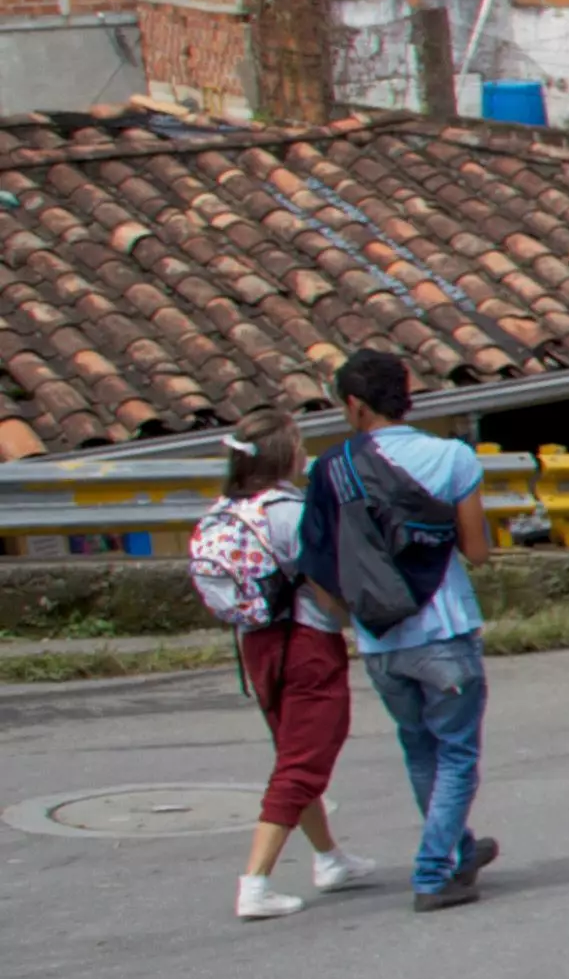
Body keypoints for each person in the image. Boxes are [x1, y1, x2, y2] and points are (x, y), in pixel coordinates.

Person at [303, 346, 497, 911]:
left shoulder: (329, 469)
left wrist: (348, 618)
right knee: (457, 753)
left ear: (356, 406)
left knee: (420, 750)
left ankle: (457, 850)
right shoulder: (453, 458)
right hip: (446, 630)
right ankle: (434, 871)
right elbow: (477, 551)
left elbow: (317, 561)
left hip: (380, 637)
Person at [188, 418, 378, 920]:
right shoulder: (291, 513)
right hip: (308, 643)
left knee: (290, 755)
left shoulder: (226, 510)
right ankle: (256, 884)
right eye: (298, 446)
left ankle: (329, 858)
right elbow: (325, 579)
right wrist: (351, 618)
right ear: (283, 457)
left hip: (258, 646)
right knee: (302, 763)